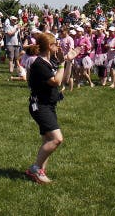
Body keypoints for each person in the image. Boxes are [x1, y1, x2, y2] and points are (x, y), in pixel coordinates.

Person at [24, 32, 80, 184]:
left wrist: (68, 61)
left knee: (48, 140)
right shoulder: (39, 64)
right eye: (56, 44)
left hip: (48, 105)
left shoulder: (50, 61)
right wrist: (62, 63)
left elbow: (64, 79)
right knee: (56, 139)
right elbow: (56, 81)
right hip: (40, 106)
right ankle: (35, 169)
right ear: (49, 46)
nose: (59, 46)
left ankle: (40, 172)